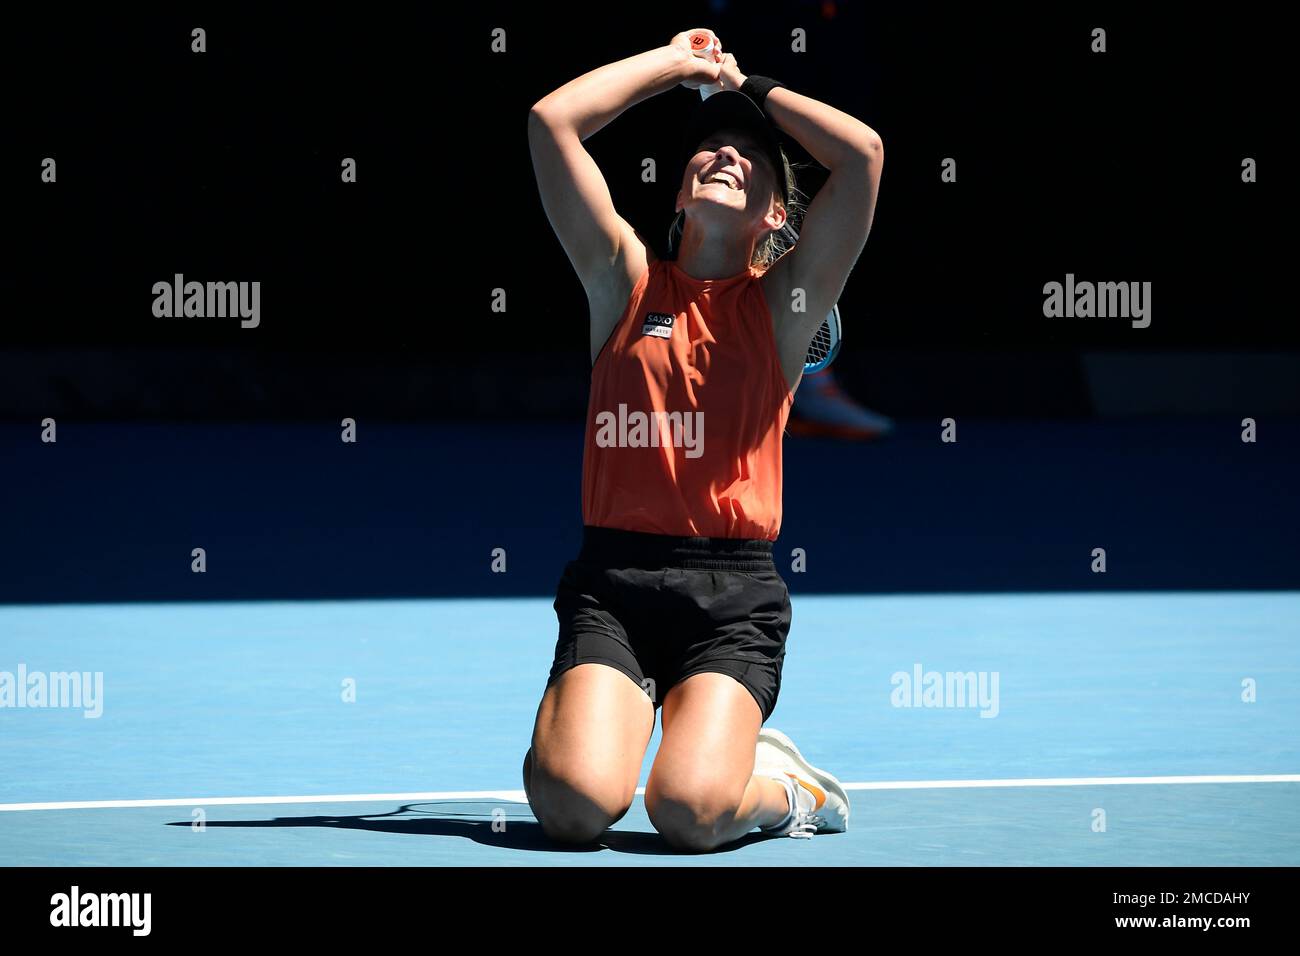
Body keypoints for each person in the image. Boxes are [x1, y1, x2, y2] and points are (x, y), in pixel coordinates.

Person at [523, 28, 883, 850]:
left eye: (746, 154)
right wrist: (675, 67)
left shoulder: (783, 308)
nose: (722, 153)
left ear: (778, 214)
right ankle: (615, 722)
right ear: (678, 195)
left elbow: (861, 154)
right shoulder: (621, 278)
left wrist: (745, 85)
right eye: (707, 149)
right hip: (612, 584)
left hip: (732, 600)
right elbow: (551, 122)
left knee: (685, 813)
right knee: (573, 806)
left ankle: (784, 786)